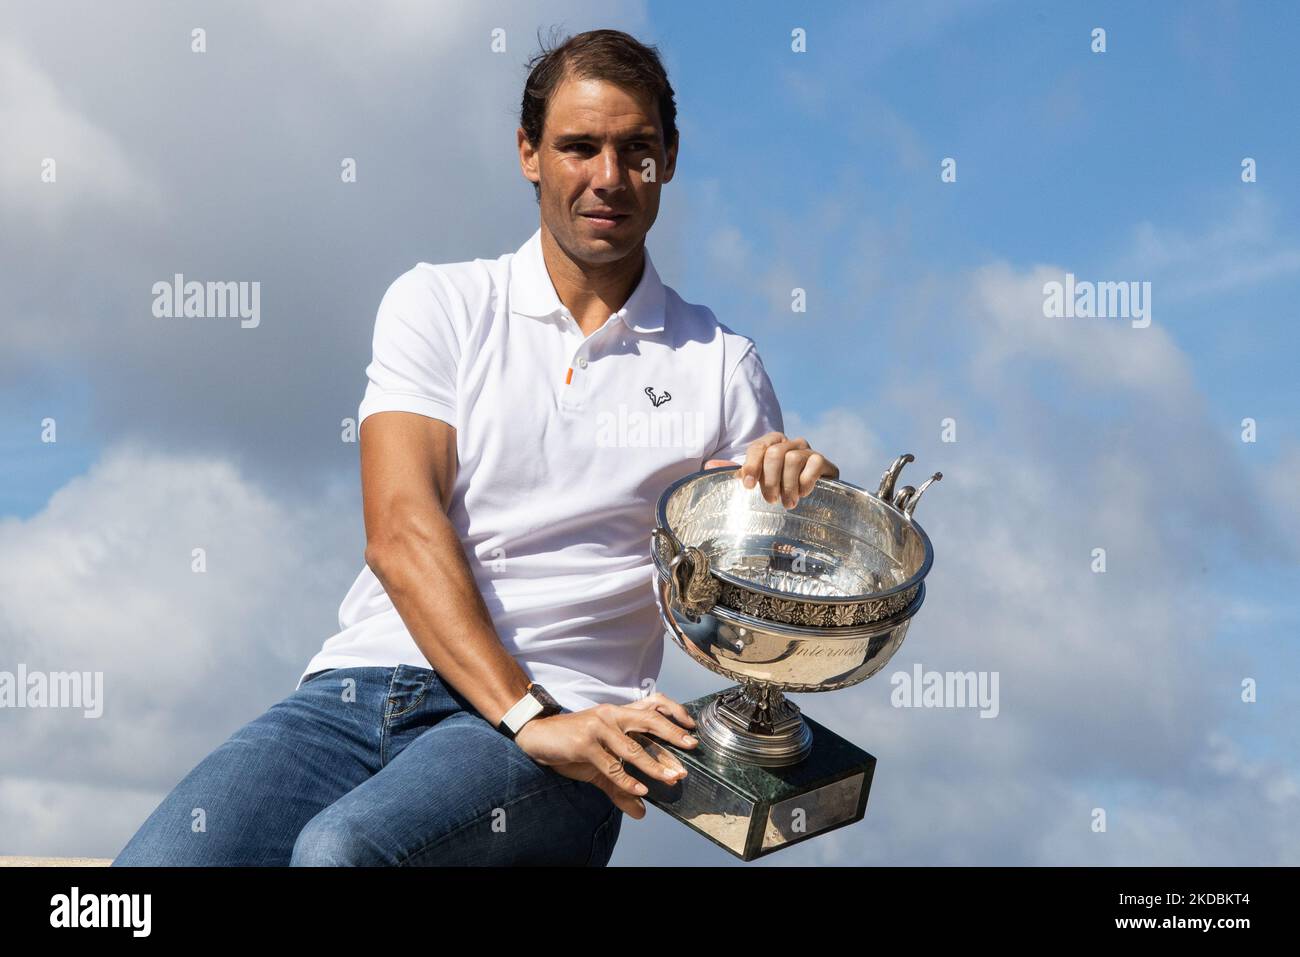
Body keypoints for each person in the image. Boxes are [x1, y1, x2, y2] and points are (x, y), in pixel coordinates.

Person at [113, 28, 838, 867]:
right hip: (359, 691)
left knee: (342, 852)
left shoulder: (719, 365)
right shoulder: (440, 303)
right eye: (579, 147)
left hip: (572, 732)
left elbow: (739, 610)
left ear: (669, 161)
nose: (609, 177)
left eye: (636, 150)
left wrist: (791, 516)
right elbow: (399, 529)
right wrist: (521, 709)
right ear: (529, 153)